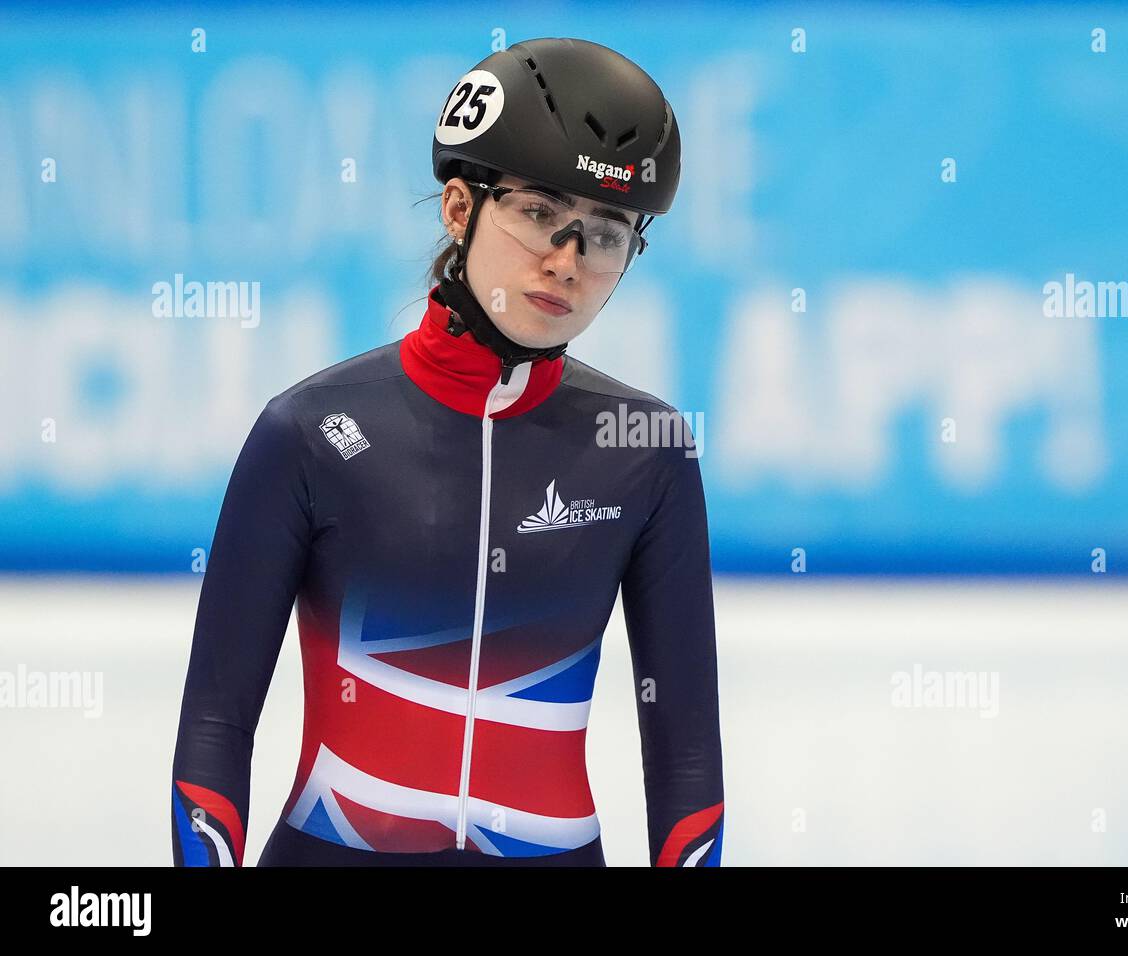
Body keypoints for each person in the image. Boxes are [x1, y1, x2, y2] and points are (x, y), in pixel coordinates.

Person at [169, 37, 725, 867]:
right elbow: (215, 734)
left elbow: (686, 765)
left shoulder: (645, 452)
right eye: (539, 212)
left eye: (604, 235)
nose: (566, 262)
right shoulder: (309, 434)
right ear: (459, 209)